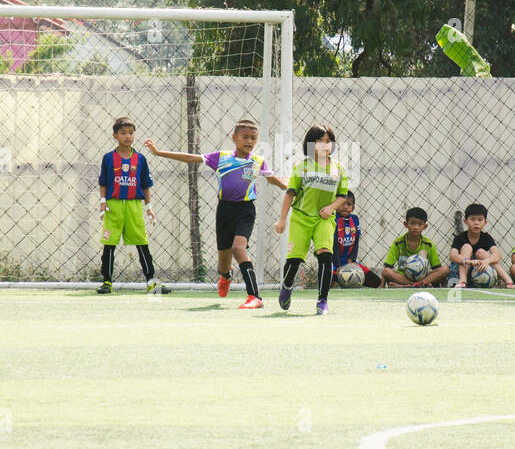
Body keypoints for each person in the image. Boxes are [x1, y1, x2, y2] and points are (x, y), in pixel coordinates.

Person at [144, 118, 288, 309]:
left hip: (245, 210)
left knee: (239, 248)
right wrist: (158, 152)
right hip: (224, 211)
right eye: (245, 137)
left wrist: (285, 185)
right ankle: (226, 276)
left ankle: (255, 297)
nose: (249, 141)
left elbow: (271, 179)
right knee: (223, 265)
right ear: (234, 137)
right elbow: (190, 158)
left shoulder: (257, 161)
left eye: (253, 138)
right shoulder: (222, 157)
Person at [275, 124, 350, 314]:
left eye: (328, 141)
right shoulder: (301, 167)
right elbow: (289, 194)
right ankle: (287, 285)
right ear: (310, 144)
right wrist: (282, 220)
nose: (325, 145)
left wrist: (332, 208)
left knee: (325, 255)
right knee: (294, 261)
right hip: (301, 218)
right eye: (319, 141)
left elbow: (343, 196)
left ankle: (322, 301)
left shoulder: (338, 169)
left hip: (324, 220)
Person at [96, 117, 165, 296]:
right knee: (109, 244)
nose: (127, 136)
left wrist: (149, 206)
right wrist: (103, 202)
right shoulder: (108, 159)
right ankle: (107, 281)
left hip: (134, 206)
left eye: (131, 133)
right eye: (123, 133)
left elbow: (145, 185)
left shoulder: (140, 159)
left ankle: (151, 281)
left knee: (142, 243)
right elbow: (103, 182)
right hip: (114, 206)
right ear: (115, 136)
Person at [449, 203, 515, 288]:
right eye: (473, 219)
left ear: (485, 222)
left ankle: (509, 282)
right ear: (466, 221)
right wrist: (467, 261)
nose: (476, 223)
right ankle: (463, 281)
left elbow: (498, 255)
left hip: (479, 271)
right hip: (460, 271)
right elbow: (452, 256)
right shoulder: (460, 238)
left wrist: (487, 261)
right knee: (467, 247)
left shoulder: (486, 237)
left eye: (480, 220)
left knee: (481, 252)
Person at [382, 207, 450, 287]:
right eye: (412, 223)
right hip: (403, 277)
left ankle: (411, 285)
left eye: (419, 224)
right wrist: (381, 286)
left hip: (423, 277)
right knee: (387, 271)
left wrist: (443, 286)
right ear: (406, 224)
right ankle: (416, 285)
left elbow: (436, 268)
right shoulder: (398, 243)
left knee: (445, 269)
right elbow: (387, 267)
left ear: (425, 226)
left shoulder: (428, 244)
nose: (416, 227)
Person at [332, 191, 382, 288]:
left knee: (376, 281)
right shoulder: (333, 219)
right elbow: (334, 246)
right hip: (334, 263)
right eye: (342, 204)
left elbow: (356, 241)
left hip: (349, 262)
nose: (345, 206)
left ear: (353, 208)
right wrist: (338, 266)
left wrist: (351, 260)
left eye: (349, 204)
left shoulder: (355, 219)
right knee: (328, 279)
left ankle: (354, 282)